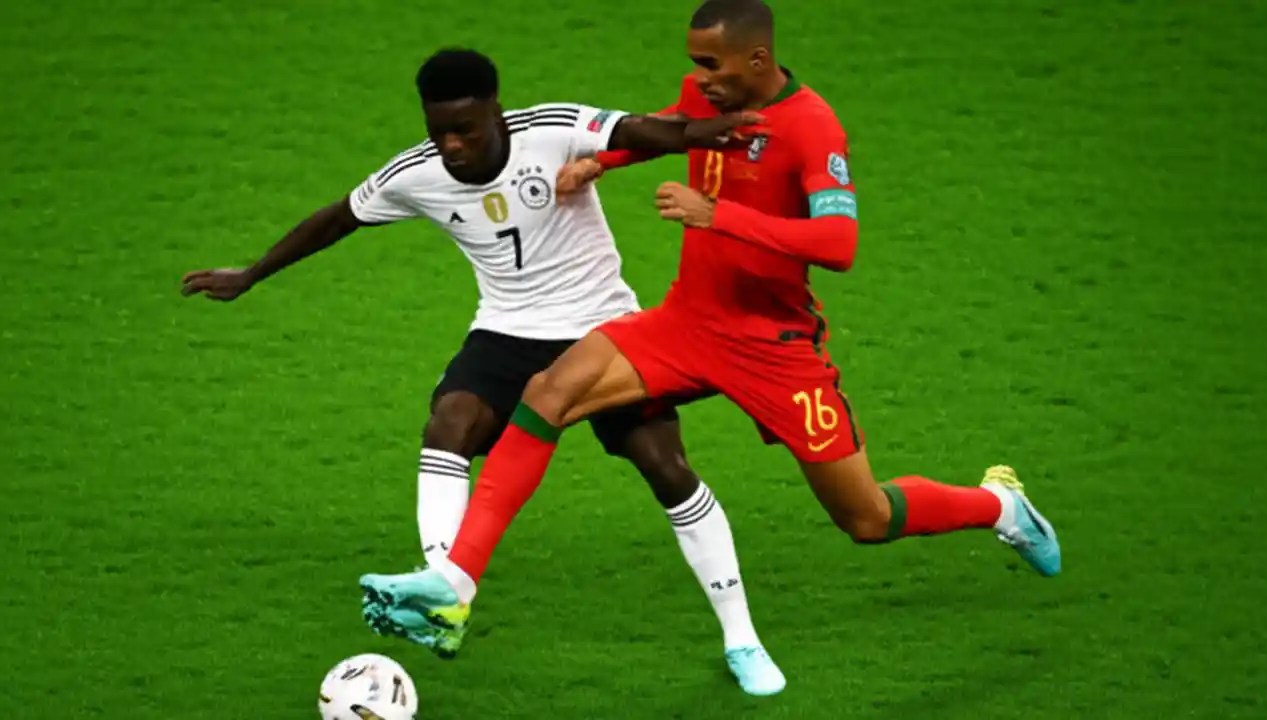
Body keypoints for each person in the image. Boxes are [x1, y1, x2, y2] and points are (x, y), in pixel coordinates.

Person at [360, 0, 1061, 667]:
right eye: (695, 65)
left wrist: (714, 215)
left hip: (775, 349)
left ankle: (1000, 506)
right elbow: (668, 123)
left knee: (866, 517)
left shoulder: (814, 128)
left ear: (757, 59)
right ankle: (455, 586)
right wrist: (598, 161)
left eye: (712, 66)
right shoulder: (709, 98)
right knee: (547, 393)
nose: (700, 80)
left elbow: (838, 242)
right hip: (687, 323)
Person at [181, 48, 787, 695]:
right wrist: (251, 274)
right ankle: (447, 599)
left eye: (465, 129)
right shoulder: (416, 174)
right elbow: (338, 219)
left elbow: (635, 130)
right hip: (507, 331)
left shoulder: (549, 130)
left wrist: (692, 133)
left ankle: (742, 638)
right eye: (438, 129)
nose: (451, 144)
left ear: (496, 110)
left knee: (666, 467)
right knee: (450, 423)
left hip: (603, 327)